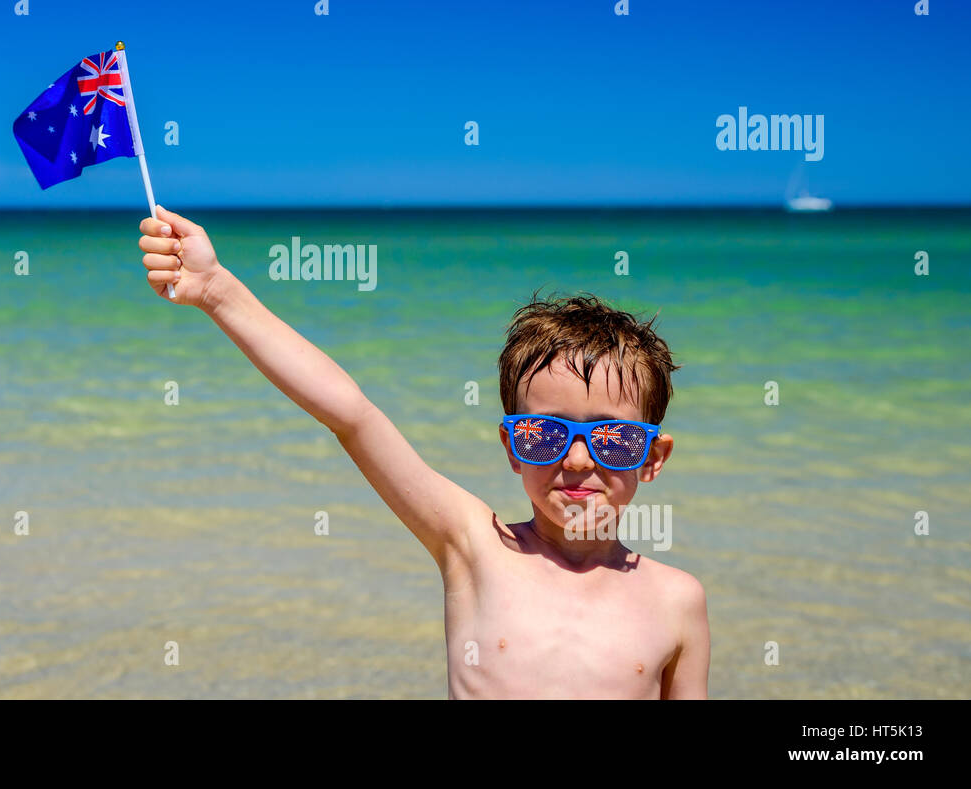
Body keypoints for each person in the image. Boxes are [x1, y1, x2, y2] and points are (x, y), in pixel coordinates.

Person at [138, 205, 709, 698]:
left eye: (612, 440)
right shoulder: (475, 547)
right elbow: (352, 415)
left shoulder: (676, 600)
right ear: (513, 446)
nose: (578, 460)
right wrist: (218, 292)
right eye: (545, 435)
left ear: (652, 457)